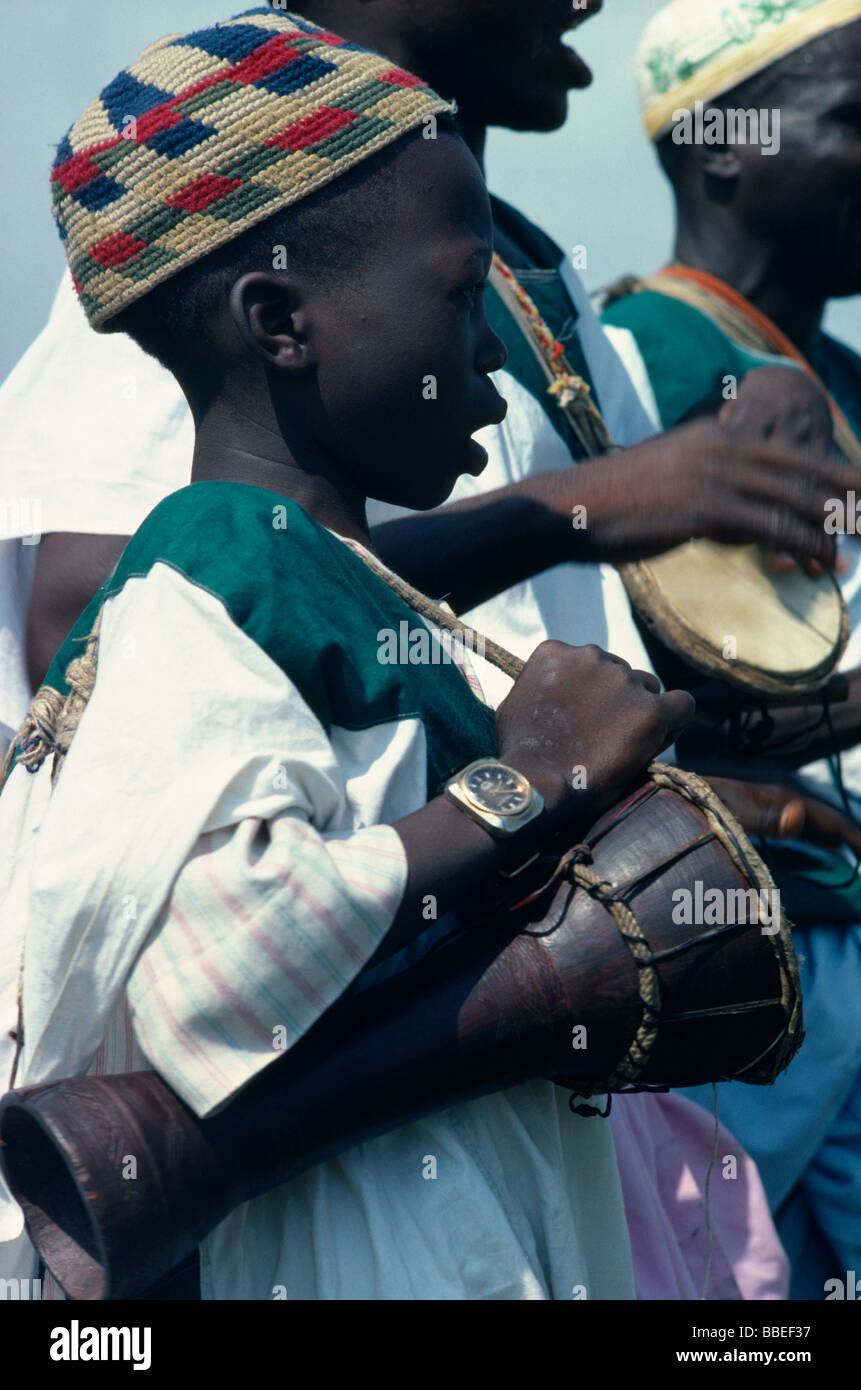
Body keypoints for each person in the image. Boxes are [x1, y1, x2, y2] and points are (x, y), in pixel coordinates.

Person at [0, 1, 802, 1301]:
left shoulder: (333, 581)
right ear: (280, 320)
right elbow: (217, 974)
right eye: (459, 294)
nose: (492, 349)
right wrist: (528, 784)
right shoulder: (219, 561)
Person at [599, 0, 861, 1297]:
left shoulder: (841, 381)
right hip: (726, 954)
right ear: (721, 146)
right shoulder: (637, 363)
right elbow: (585, 677)